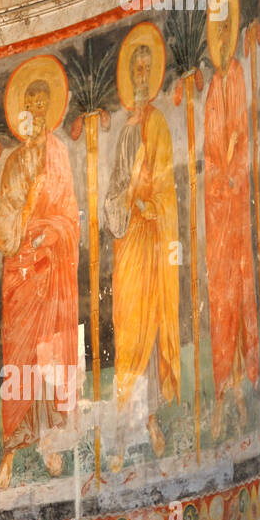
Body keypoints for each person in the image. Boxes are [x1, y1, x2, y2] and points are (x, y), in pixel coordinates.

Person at [0, 66, 80, 487]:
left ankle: (50, 439)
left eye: (43, 105)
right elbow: (3, 227)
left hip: (53, 268)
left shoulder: (59, 154)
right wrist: (26, 216)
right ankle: (11, 447)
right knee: (20, 355)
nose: (36, 113)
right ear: (21, 113)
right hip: (21, 271)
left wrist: (53, 233)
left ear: (51, 111)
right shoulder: (13, 163)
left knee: (50, 353)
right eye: (29, 106)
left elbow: (70, 217)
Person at [105, 30, 179, 464]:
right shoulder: (123, 132)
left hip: (153, 240)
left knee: (149, 325)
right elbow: (116, 187)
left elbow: (168, 183)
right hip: (129, 241)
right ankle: (123, 424)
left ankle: (148, 418)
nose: (140, 76)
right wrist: (124, 205)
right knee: (129, 324)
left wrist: (152, 203)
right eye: (135, 69)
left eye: (146, 70)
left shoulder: (158, 124)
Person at [204, 0, 259, 438]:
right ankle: (224, 389)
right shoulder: (208, 94)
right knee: (219, 296)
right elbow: (208, 154)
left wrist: (234, 171)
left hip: (237, 207)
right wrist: (219, 177)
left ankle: (242, 389)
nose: (222, 41)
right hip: (217, 208)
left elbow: (243, 134)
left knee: (239, 291)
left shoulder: (238, 76)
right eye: (215, 35)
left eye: (227, 33)